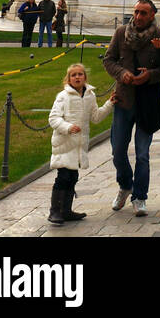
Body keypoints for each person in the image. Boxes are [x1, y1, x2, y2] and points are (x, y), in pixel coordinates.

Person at [102, 0, 160, 215]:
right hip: (124, 99)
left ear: (152, 15)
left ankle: (140, 196)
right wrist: (122, 74)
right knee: (118, 151)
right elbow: (108, 59)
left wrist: (149, 76)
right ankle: (125, 185)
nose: (138, 16)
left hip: (147, 101)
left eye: (143, 13)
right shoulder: (122, 33)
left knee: (142, 153)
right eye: (136, 12)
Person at [47, 63, 113, 225]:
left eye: (80, 74)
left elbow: (96, 117)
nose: (77, 77)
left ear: (85, 77)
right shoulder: (63, 96)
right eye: (73, 75)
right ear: (68, 79)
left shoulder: (90, 96)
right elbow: (53, 118)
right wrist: (68, 127)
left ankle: (66, 210)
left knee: (73, 176)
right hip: (64, 142)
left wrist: (110, 103)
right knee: (63, 176)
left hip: (79, 145)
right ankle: (55, 211)